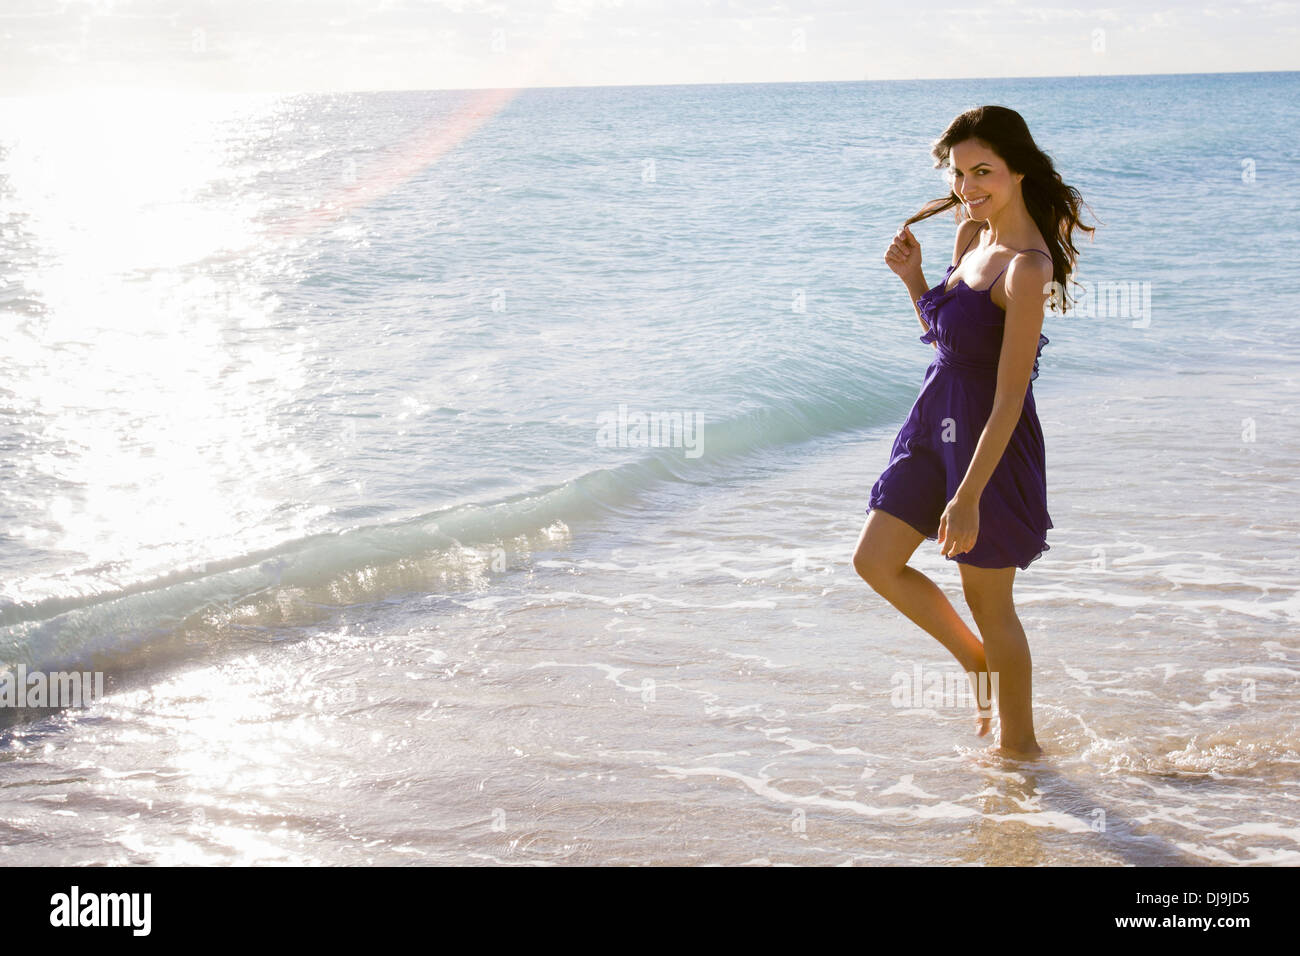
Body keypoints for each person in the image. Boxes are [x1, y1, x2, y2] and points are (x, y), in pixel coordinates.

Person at [853, 105, 1096, 758]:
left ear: (1018, 169)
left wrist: (967, 496)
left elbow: (1012, 393)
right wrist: (912, 279)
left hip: (989, 448)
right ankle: (975, 663)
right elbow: (948, 341)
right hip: (934, 425)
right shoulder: (970, 238)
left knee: (993, 605)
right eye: (960, 174)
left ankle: (1022, 754)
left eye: (982, 171)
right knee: (874, 561)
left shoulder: (1027, 269)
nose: (968, 187)